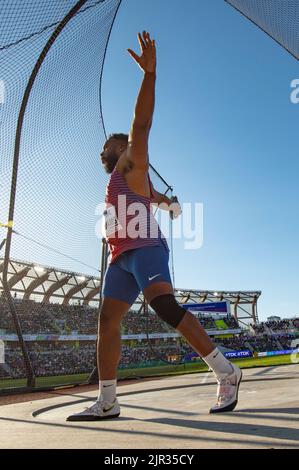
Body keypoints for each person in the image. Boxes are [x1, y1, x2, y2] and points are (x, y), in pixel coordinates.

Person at [67, 31, 242, 421]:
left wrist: (150, 74)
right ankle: (108, 399)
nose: (115, 140)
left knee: (163, 306)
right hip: (121, 256)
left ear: (124, 148)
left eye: (119, 139)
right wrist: (169, 203)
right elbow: (153, 196)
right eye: (115, 140)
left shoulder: (131, 161)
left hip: (145, 246)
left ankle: (226, 372)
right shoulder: (122, 179)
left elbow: (141, 126)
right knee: (107, 319)